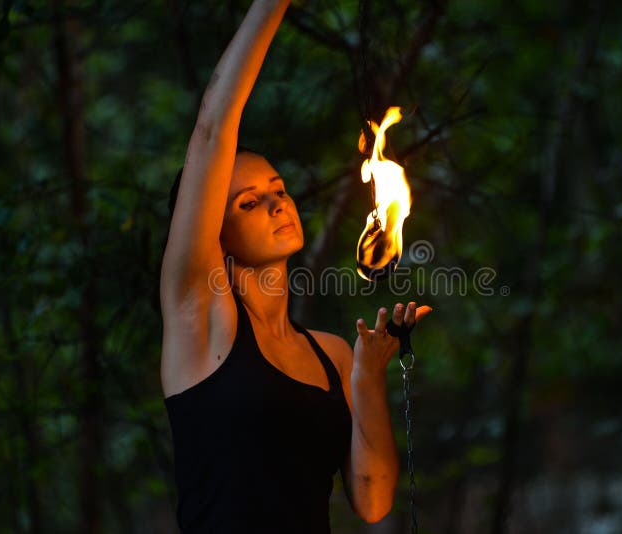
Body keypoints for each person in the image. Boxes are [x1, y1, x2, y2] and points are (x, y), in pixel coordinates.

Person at [160, 1, 431, 532]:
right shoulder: (200, 318)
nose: (277, 204)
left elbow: (373, 501)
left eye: (278, 190)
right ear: (214, 233)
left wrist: (368, 374)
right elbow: (215, 127)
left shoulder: (331, 353)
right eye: (249, 202)